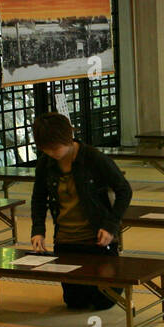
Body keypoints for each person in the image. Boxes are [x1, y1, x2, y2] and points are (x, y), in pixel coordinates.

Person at [29, 113, 132, 311]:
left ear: (67, 138)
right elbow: (38, 198)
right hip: (66, 241)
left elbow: (124, 190)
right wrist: (38, 230)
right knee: (75, 302)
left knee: (103, 302)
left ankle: (116, 277)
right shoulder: (45, 163)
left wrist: (110, 226)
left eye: (55, 147)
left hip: (96, 240)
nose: (51, 153)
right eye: (46, 149)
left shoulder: (93, 158)